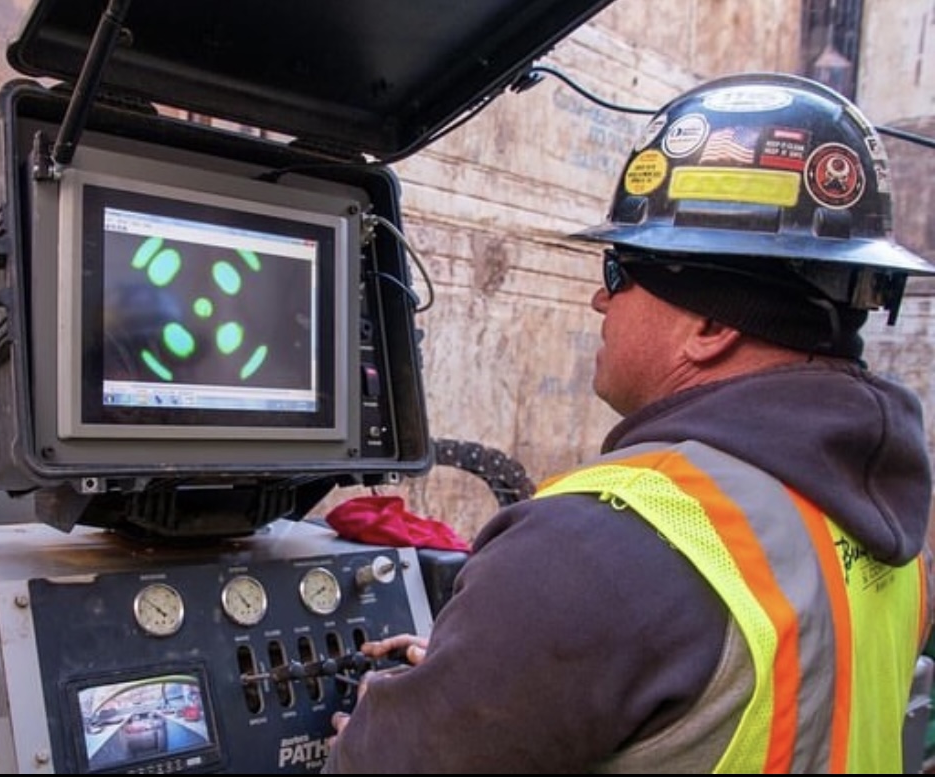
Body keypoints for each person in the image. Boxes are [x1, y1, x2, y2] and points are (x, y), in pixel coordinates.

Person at [322, 72, 935, 773]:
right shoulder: (886, 527)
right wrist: (504, 682)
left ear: (708, 324)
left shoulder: (597, 544)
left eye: (618, 270)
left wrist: (367, 733)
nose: (596, 299)